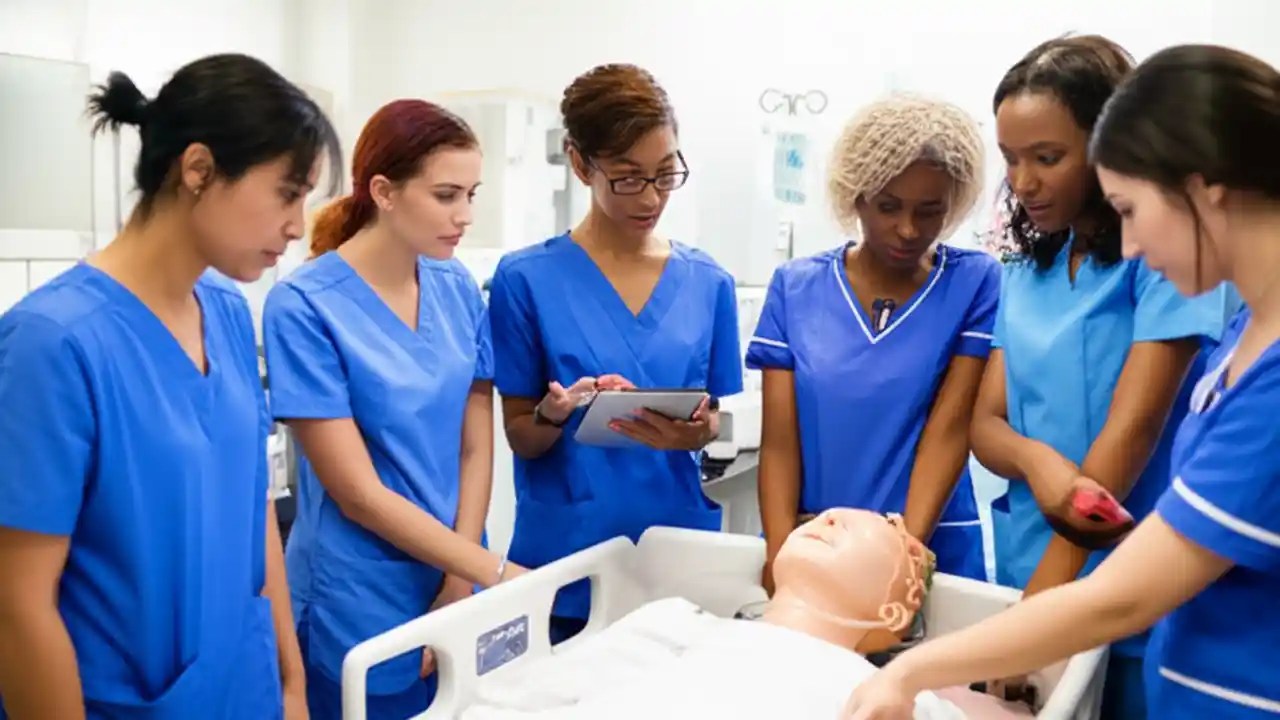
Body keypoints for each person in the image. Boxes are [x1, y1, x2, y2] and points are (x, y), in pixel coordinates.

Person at [843, 43, 1280, 720]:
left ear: (1202, 190)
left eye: (1130, 208)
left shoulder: (1265, 378)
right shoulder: (1242, 349)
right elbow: (985, 425)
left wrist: (915, 672)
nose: (1130, 247)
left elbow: (1127, 590)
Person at [0, 54, 340, 719]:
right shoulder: (54, 344)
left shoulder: (228, 314)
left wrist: (289, 681)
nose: (298, 226)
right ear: (198, 170)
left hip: (243, 689)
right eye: (287, 192)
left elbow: (254, 505)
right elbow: (17, 605)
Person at [972, 35, 1235, 716]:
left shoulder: (1166, 261)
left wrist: (1041, 612)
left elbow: (1135, 427)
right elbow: (985, 424)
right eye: (1010, 160)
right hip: (1031, 557)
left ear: (1108, 145)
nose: (1023, 182)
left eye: (1047, 158)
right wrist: (1042, 468)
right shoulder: (1024, 270)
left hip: (1130, 573)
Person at [261, 99, 528, 719]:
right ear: (383, 191)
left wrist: (462, 578)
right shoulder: (304, 306)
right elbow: (357, 493)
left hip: (461, 567)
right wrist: (498, 572)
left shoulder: (455, 284)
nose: (465, 216)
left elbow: (475, 444)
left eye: (471, 194)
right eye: (445, 196)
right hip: (361, 589)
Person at [488, 63, 743, 643]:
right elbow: (521, 438)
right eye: (628, 177)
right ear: (581, 164)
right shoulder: (526, 279)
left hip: (673, 557)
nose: (651, 196)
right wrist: (556, 413)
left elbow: (717, 421)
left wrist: (695, 434)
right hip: (564, 563)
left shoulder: (709, 283)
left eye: (665, 173)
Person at [748, 95, 994, 592]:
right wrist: (780, 552)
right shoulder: (795, 289)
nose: (908, 230)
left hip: (929, 549)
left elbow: (950, 429)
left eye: (930, 212)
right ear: (855, 196)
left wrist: (904, 553)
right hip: (814, 543)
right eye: (888, 208)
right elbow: (779, 442)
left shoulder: (974, 283)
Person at [459, 511, 1030, 719]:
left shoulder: (886, 695)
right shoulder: (680, 622)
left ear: (893, 611)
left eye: (870, 529)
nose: (829, 518)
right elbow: (520, 699)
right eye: (823, 519)